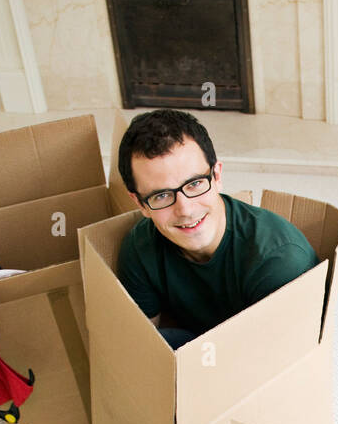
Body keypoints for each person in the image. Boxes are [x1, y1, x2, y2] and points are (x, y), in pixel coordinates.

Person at [116, 109, 320, 349]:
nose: (185, 209)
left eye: (194, 184)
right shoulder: (139, 248)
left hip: (259, 356)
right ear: (140, 203)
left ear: (217, 175)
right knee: (142, 344)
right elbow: (140, 345)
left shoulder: (279, 260)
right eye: (161, 195)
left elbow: (277, 359)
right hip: (201, 344)